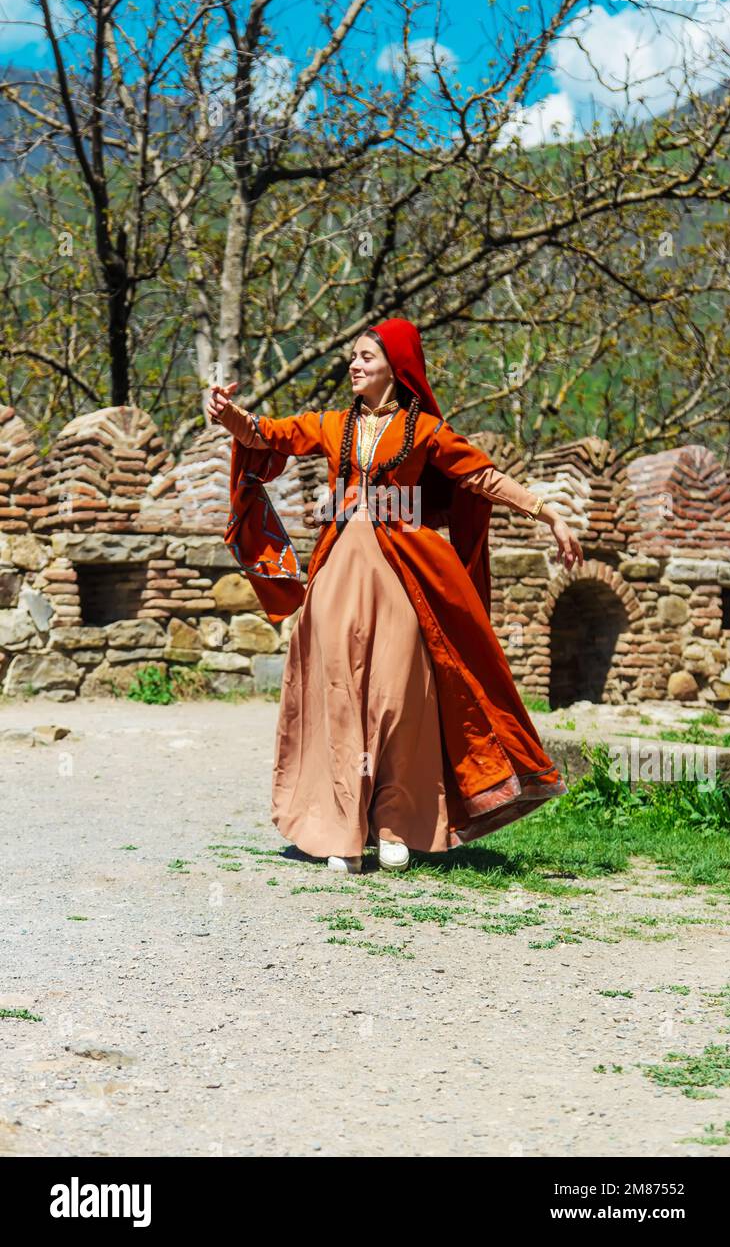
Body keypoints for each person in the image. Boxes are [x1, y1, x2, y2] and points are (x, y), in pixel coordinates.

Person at [207, 317, 584, 875]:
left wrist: (547, 511)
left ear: (396, 368)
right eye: (353, 358)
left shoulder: (425, 431)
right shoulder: (333, 424)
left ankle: (394, 824)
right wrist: (229, 416)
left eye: (365, 357)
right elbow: (270, 434)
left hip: (403, 576)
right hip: (338, 573)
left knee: (397, 699)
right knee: (337, 694)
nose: (354, 366)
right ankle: (340, 829)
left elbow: (481, 478)